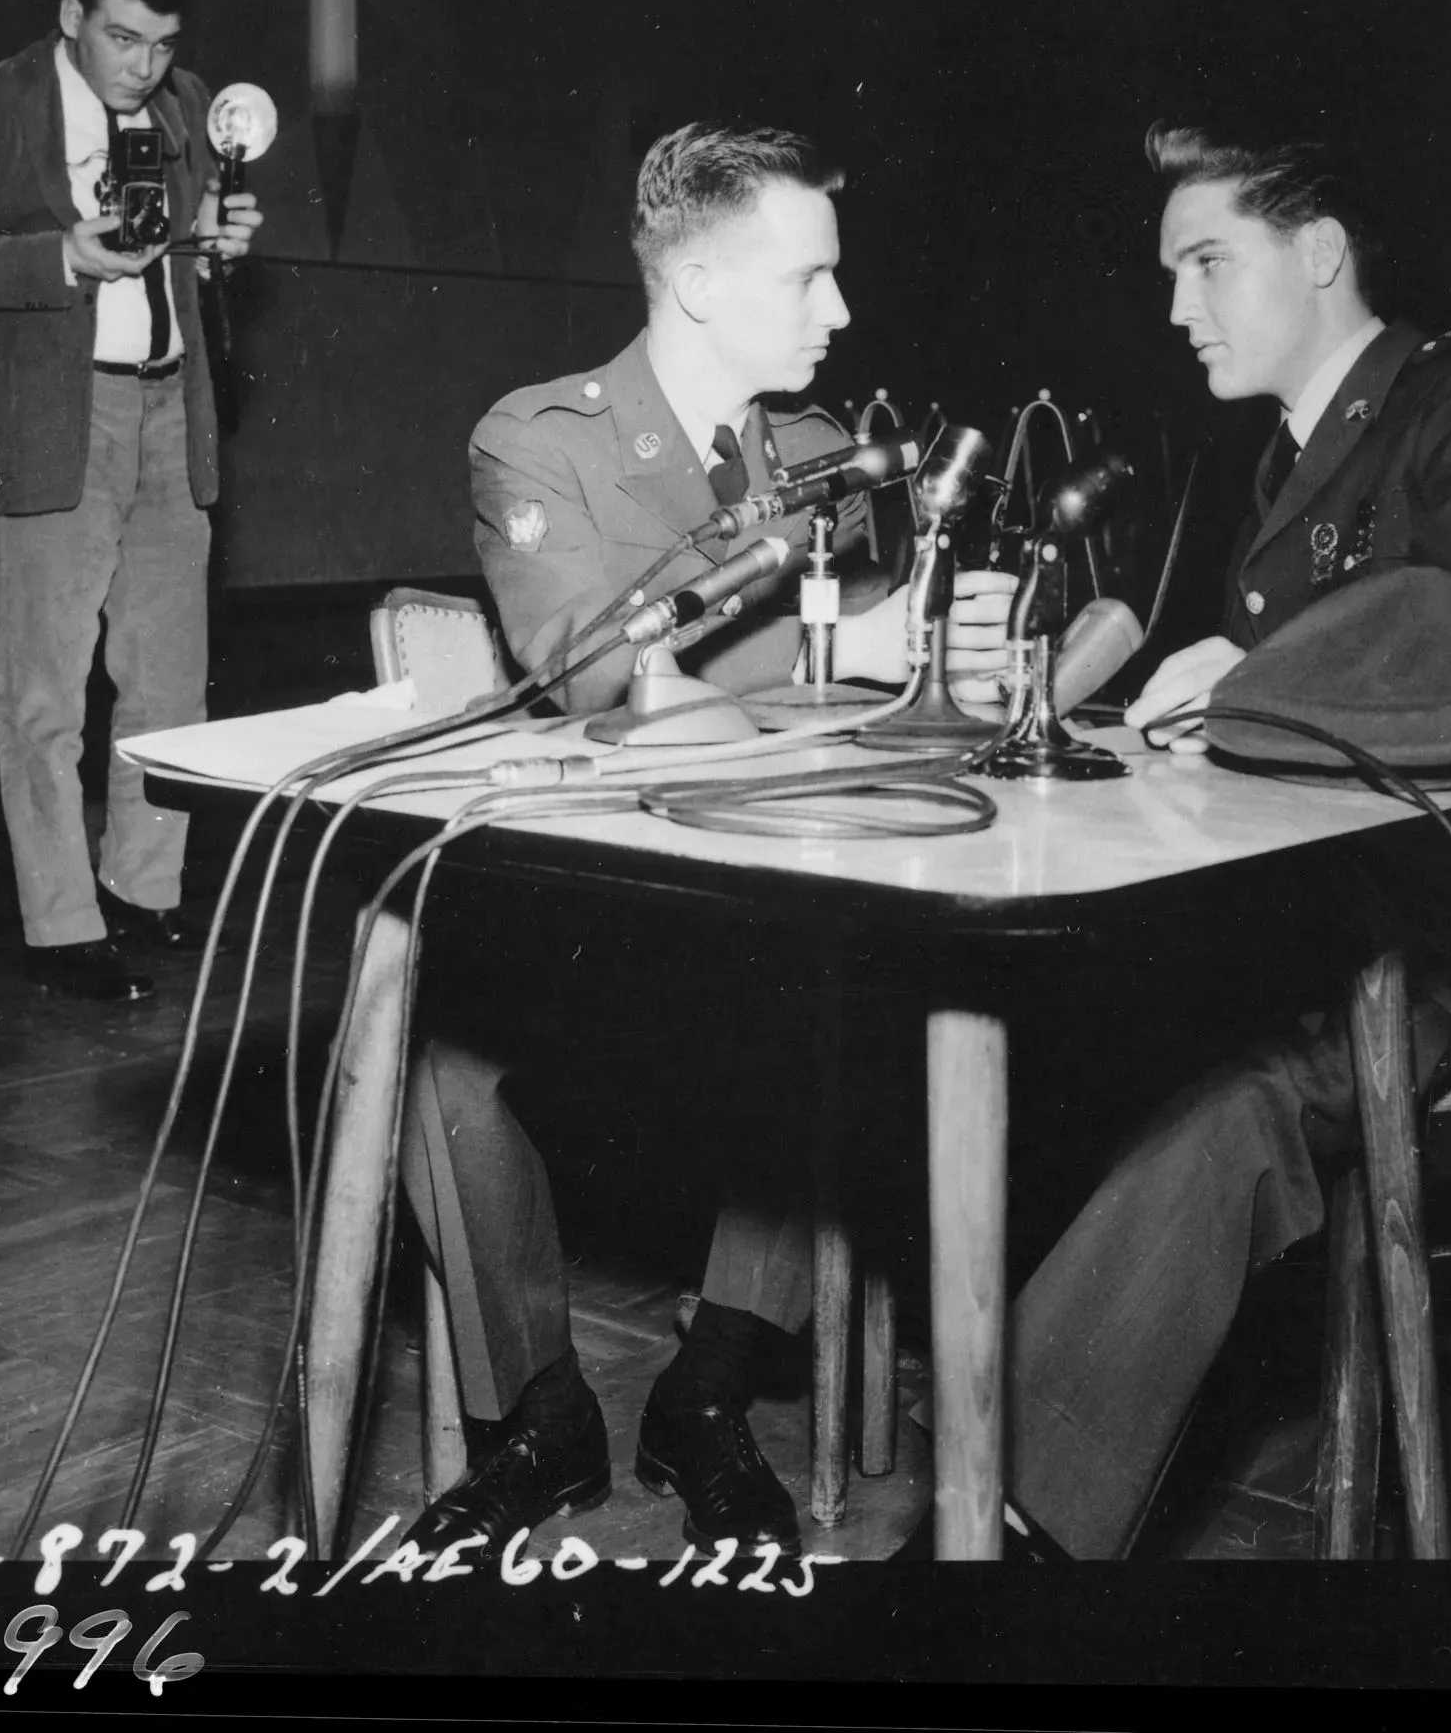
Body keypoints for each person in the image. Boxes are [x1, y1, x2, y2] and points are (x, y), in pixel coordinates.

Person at [361, 123, 1014, 1559]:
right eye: (812, 280)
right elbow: (594, 674)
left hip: (779, 906)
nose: (842, 315)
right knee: (431, 1041)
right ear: (702, 283)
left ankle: (708, 1390)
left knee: (844, 993)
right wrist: (844, 648)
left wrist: (943, 652)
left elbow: (908, 703)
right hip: (597, 915)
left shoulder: (837, 453)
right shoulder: (545, 436)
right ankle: (537, 1409)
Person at [967, 122, 1451, 1561]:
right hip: (1337, 924)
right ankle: (1006, 1434)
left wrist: (1247, 682)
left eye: (1208, 261)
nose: (1178, 304)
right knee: (1044, 1023)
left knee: (1227, 1112)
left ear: (1319, 255)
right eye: (1170, 269)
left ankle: (1016, 1532)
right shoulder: (1281, 458)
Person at [0, 0, 261, 1004]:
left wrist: (215, 245)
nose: (143, 66)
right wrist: (62, 256)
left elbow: (175, 242)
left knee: (169, 684)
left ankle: (144, 887)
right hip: (53, 417)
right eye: (121, 38)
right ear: (70, 15)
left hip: (167, 406)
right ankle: (59, 926)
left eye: (162, 44)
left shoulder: (186, 105)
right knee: (44, 695)